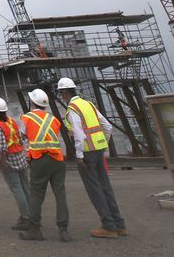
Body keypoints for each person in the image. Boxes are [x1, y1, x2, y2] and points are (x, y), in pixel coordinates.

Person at [56, 77, 127, 239]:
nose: (61, 96)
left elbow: (79, 133)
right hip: (98, 149)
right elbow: (107, 126)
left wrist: (79, 155)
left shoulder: (72, 108)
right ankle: (119, 225)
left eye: (61, 93)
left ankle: (108, 226)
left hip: (86, 153)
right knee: (105, 186)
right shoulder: (88, 104)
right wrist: (103, 144)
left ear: (65, 92)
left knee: (94, 189)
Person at [19, 89, 70, 242]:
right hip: (58, 160)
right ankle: (63, 230)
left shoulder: (27, 117)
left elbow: (23, 136)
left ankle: (34, 229)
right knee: (60, 194)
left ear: (31, 103)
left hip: (40, 159)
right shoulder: (54, 119)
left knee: (36, 195)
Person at [0, 96, 31, 231]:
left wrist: (2, 162)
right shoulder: (12, 122)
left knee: (17, 189)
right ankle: (33, 215)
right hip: (20, 158)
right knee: (26, 188)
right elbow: (19, 139)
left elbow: (2, 146)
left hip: (9, 160)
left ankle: (26, 218)